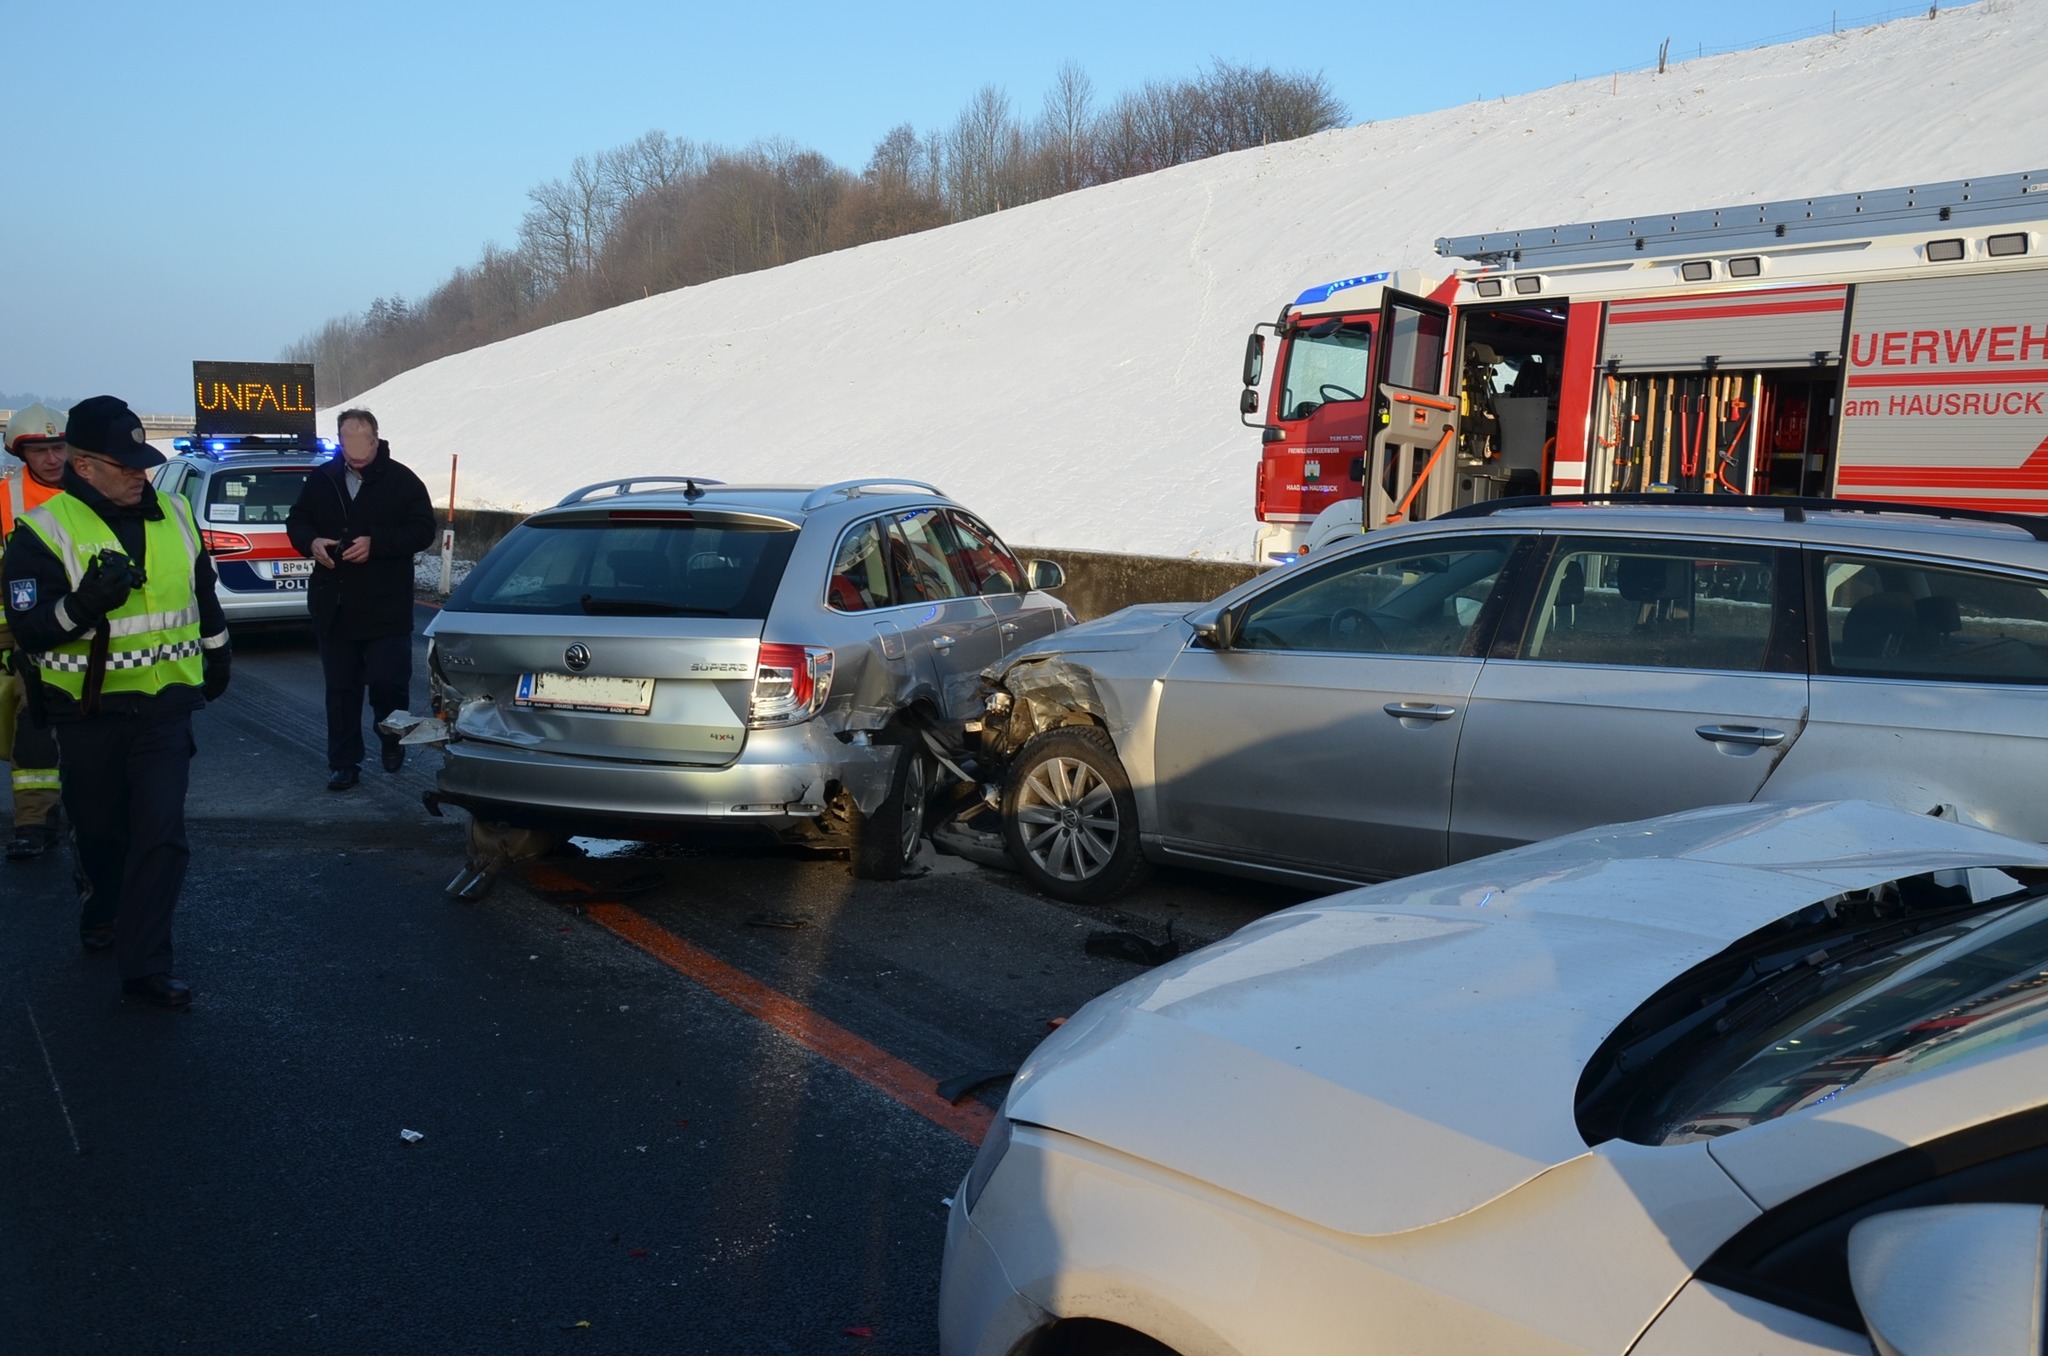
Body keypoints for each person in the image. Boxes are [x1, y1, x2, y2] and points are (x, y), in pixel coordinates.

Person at [1, 395, 230, 1009]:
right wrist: (84, 603)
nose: (139, 473)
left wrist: (219, 653)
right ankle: (100, 904)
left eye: (142, 463)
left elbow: (202, 596)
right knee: (103, 834)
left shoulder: (177, 512)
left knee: (162, 835)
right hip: (88, 713)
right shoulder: (41, 533)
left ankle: (145, 965)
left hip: (166, 706)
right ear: (84, 464)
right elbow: (30, 629)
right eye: (123, 464)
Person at [285, 408, 435, 791]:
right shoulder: (323, 479)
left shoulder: (402, 481)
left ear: (375, 438)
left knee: (388, 684)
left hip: (385, 607)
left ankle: (391, 738)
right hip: (333, 605)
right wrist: (311, 542)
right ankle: (344, 762)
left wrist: (377, 543)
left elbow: (422, 530)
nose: (353, 449)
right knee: (341, 692)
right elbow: (297, 521)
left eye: (360, 440)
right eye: (346, 440)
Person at [1, 404, 69, 859]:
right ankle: (34, 821)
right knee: (31, 721)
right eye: (41, 450)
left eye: (58, 447)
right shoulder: (6, 500)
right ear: (22, 453)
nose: (52, 458)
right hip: (22, 635)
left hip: (86, 627)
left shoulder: (90, 494)